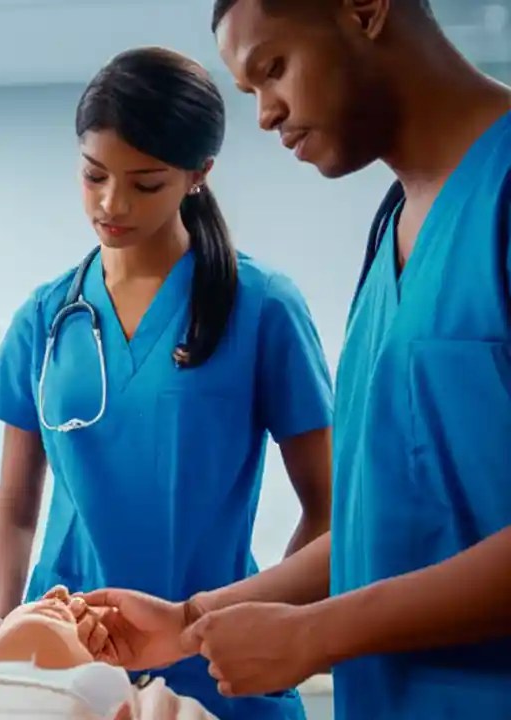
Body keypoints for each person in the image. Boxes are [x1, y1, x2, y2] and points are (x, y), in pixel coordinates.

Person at [82, 1, 511, 717]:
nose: (266, 115)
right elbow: (385, 525)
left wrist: (317, 632)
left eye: (273, 69)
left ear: (365, 9)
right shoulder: (393, 232)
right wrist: (191, 620)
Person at [0, 47, 334, 720]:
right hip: (69, 668)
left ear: (198, 175)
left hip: (218, 662)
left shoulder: (262, 307)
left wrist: (260, 620)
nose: (112, 204)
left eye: (145, 183)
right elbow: (15, 504)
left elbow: (330, 507)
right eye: (93, 176)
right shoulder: (47, 317)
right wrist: (7, 631)